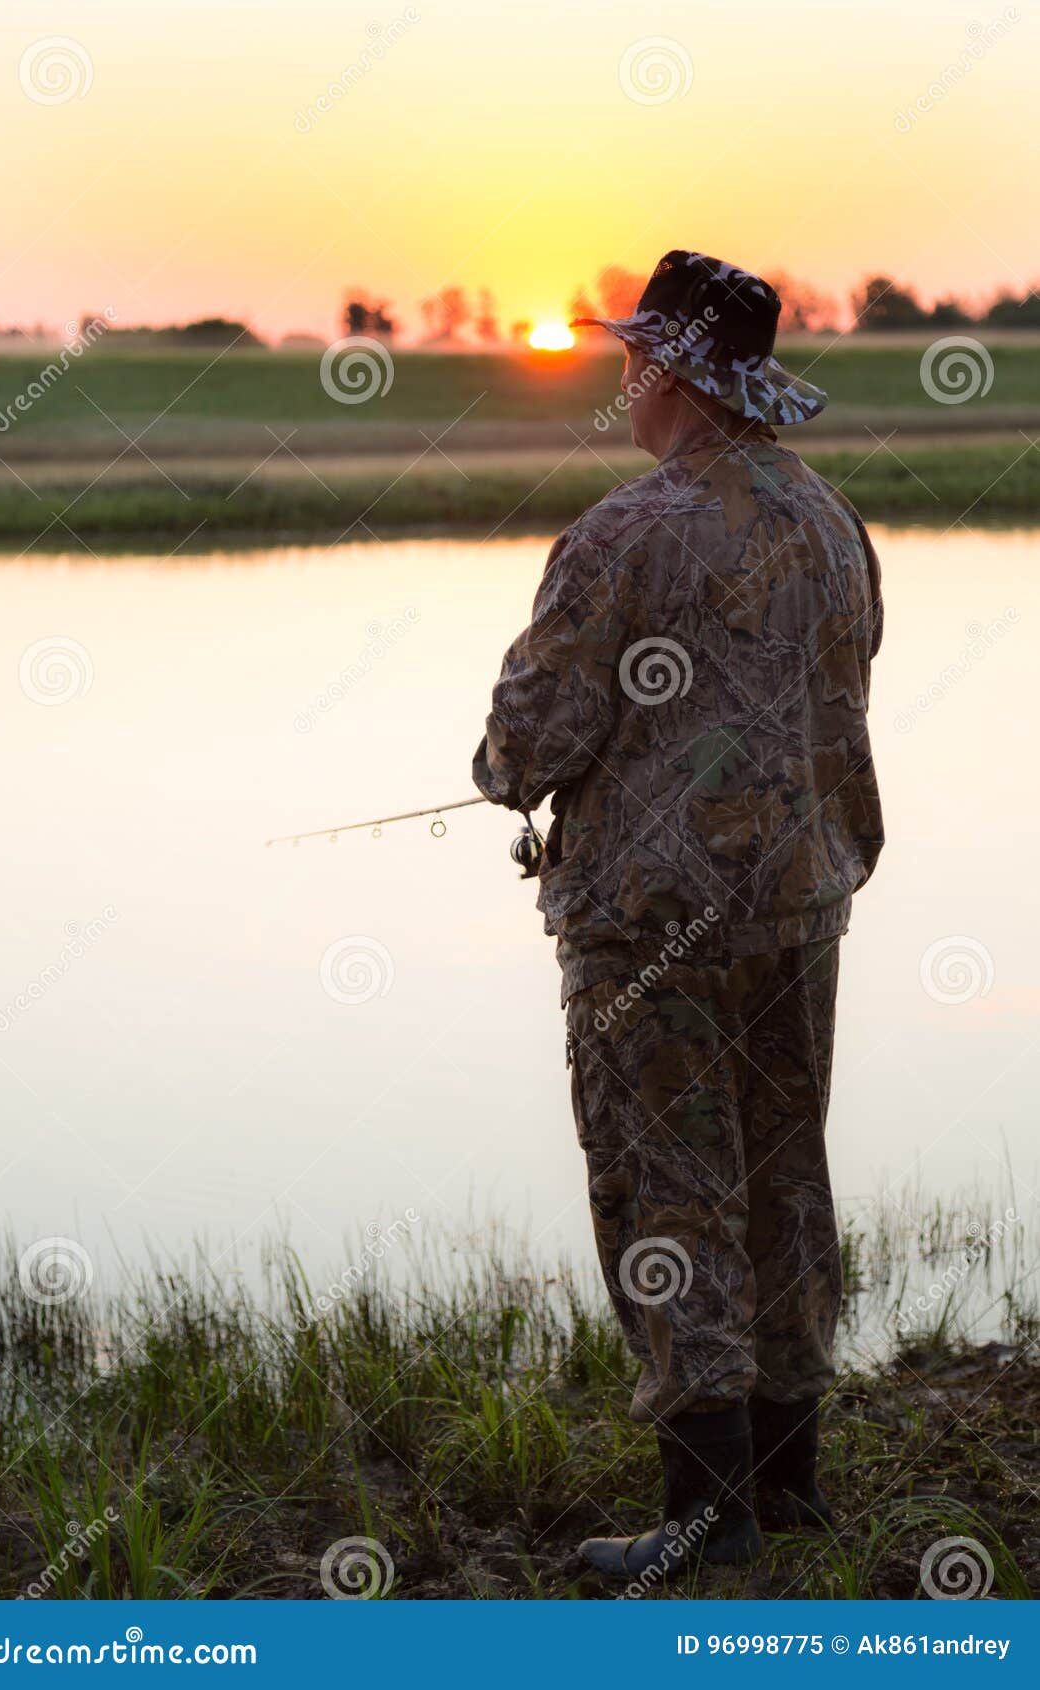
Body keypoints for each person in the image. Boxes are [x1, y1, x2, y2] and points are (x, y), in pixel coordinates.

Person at [472, 250, 884, 1580]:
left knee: (669, 1198)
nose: (623, 379)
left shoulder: (621, 538)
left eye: (635, 359)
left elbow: (529, 742)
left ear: (671, 377)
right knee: (785, 1185)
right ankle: (789, 1483)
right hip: (802, 912)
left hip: (653, 931)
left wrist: (493, 770)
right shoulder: (834, 525)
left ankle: (706, 1525)